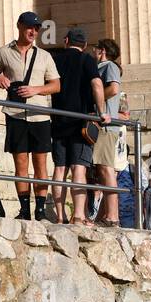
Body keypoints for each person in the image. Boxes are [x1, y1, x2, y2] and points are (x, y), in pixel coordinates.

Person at [0, 11, 60, 221]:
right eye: (30, 27)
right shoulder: (3, 52)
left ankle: (40, 210)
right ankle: (24, 209)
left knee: (40, 164)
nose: (33, 31)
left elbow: (56, 85)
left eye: (37, 28)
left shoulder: (45, 56)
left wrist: (36, 90)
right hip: (15, 113)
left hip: (39, 115)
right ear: (20, 25)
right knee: (20, 164)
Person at [48, 27, 105, 225]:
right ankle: (79, 215)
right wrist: (102, 111)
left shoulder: (56, 59)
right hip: (81, 122)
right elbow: (97, 85)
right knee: (78, 168)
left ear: (66, 41)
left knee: (60, 169)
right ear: (85, 45)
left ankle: (60, 216)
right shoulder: (88, 60)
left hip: (58, 120)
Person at [91, 39, 128, 226]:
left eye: (95, 49)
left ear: (102, 51)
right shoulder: (103, 67)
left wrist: (96, 96)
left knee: (106, 169)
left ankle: (113, 216)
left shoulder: (110, 66)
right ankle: (103, 215)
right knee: (102, 170)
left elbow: (114, 89)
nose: (93, 52)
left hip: (107, 126)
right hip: (100, 125)